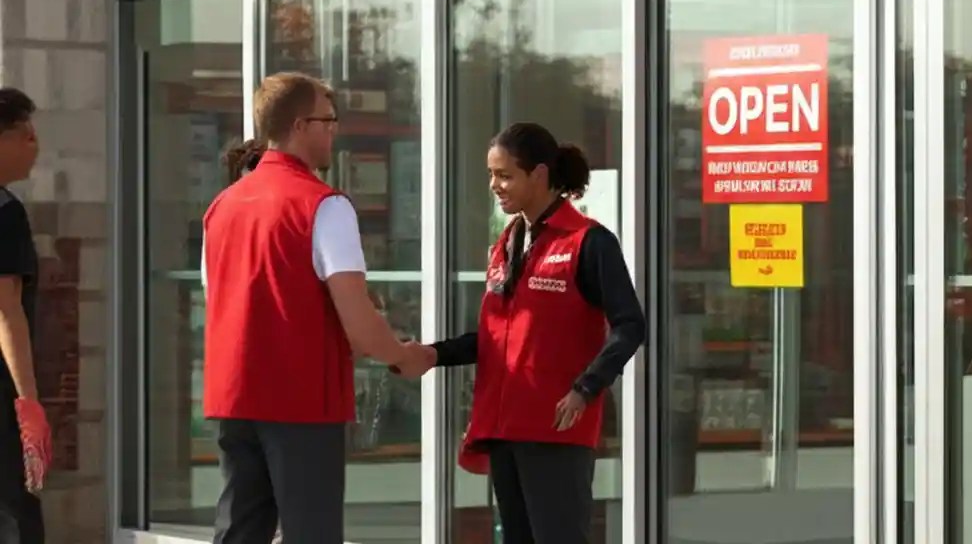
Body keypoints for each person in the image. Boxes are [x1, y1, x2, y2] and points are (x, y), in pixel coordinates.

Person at [201, 72, 433, 544]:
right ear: (301, 125)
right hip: (301, 400)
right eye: (329, 121)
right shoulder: (324, 206)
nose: (334, 131)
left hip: (235, 395)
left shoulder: (222, 206)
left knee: (240, 531)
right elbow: (360, 325)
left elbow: (222, 300)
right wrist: (406, 356)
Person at [426, 122, 646, 544]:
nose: (495, 185)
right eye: (491, 174)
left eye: (505, 175)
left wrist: (586, 388)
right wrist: (434, 354)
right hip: (505, 428)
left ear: (539, 175)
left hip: (555, 427)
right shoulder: (507, 242)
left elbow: (629, 325)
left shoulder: (589, 241)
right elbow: (497, 336)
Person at [0, 88, 49, 544]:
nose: (35, 146)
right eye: (26, 135)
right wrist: (28, 406)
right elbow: (6, 312)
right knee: (17, 511)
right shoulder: (5, 212)